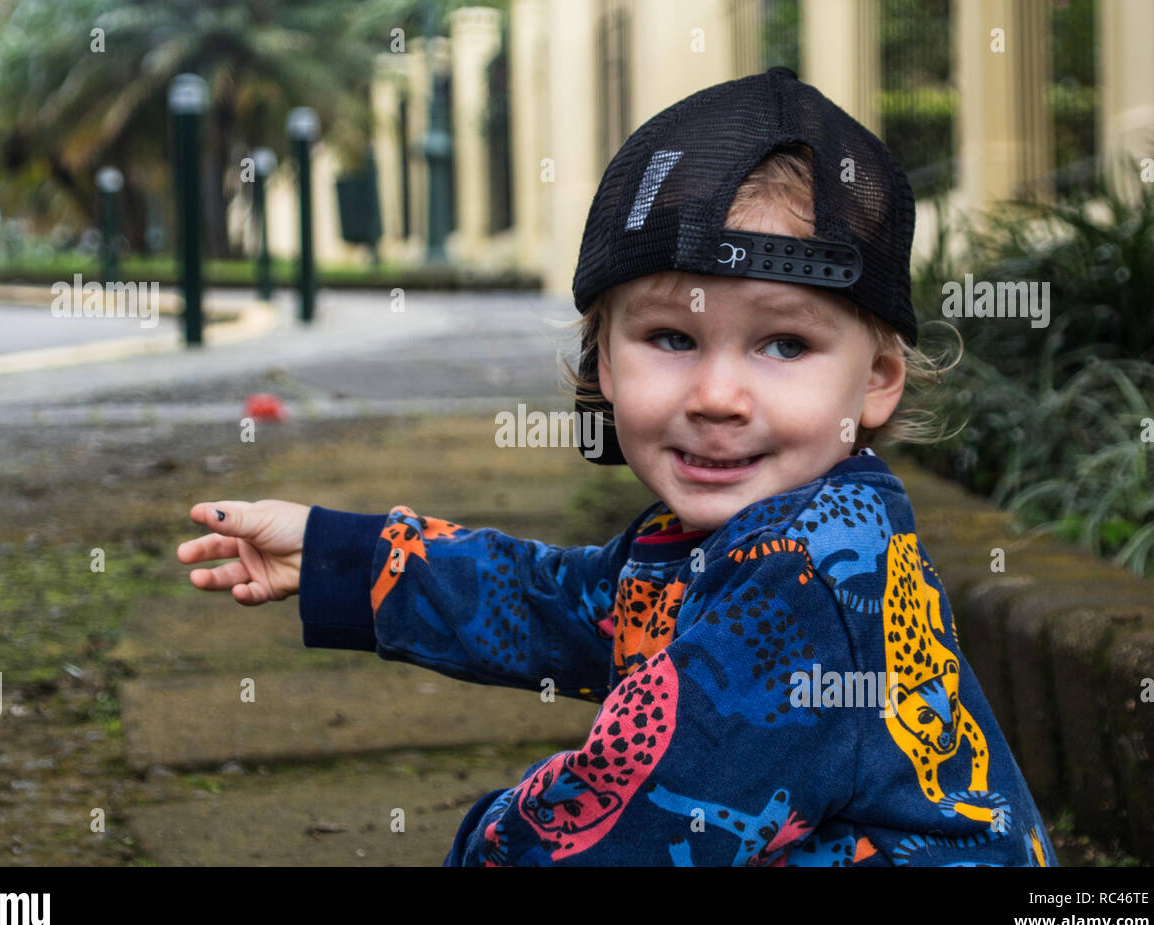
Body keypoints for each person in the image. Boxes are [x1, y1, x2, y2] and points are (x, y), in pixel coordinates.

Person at [177, 67, 1057, 866]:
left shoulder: (809, 583)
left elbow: (623, 827)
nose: (717, 395)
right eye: (671, 338)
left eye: (783, 344)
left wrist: (487, 843)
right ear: (602, 362)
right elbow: (559, 601)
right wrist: (343, 557)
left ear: (875, 383)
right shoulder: (747, 534)